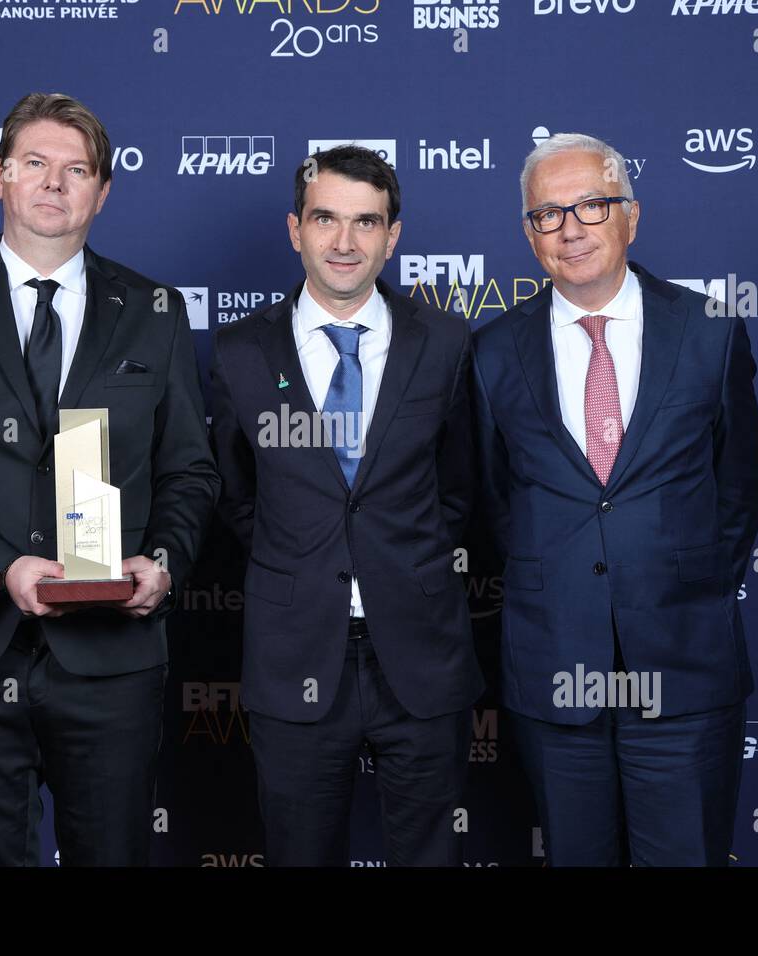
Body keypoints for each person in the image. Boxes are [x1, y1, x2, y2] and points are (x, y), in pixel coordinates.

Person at [0, 92, 219, 866]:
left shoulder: (155, 310)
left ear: (103, 190)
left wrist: (162, 562)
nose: (54, 184)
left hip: (113, 654)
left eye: (77, 169)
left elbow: (189, 467)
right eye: (34, 164)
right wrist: (2, 567)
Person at [471, 133, 758, 866]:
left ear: (632, 214)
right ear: (529, 233)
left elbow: (738, 490)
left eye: (592, 206)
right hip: (555, 670)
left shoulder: (708, 331)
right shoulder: (492, 350)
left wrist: (676, 581)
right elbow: (494, 498)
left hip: (684, 665)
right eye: (548, 214)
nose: (571, 228)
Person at [210, 145, 484, 866]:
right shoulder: (238, 351)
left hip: (420, 657)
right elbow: (235, 494)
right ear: (295, 227)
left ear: (392, 237)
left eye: (367, 222)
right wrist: (306, 553)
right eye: (326, 218)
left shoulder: (447, 341)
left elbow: (460, 487)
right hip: (294, 650)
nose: (344, 241)